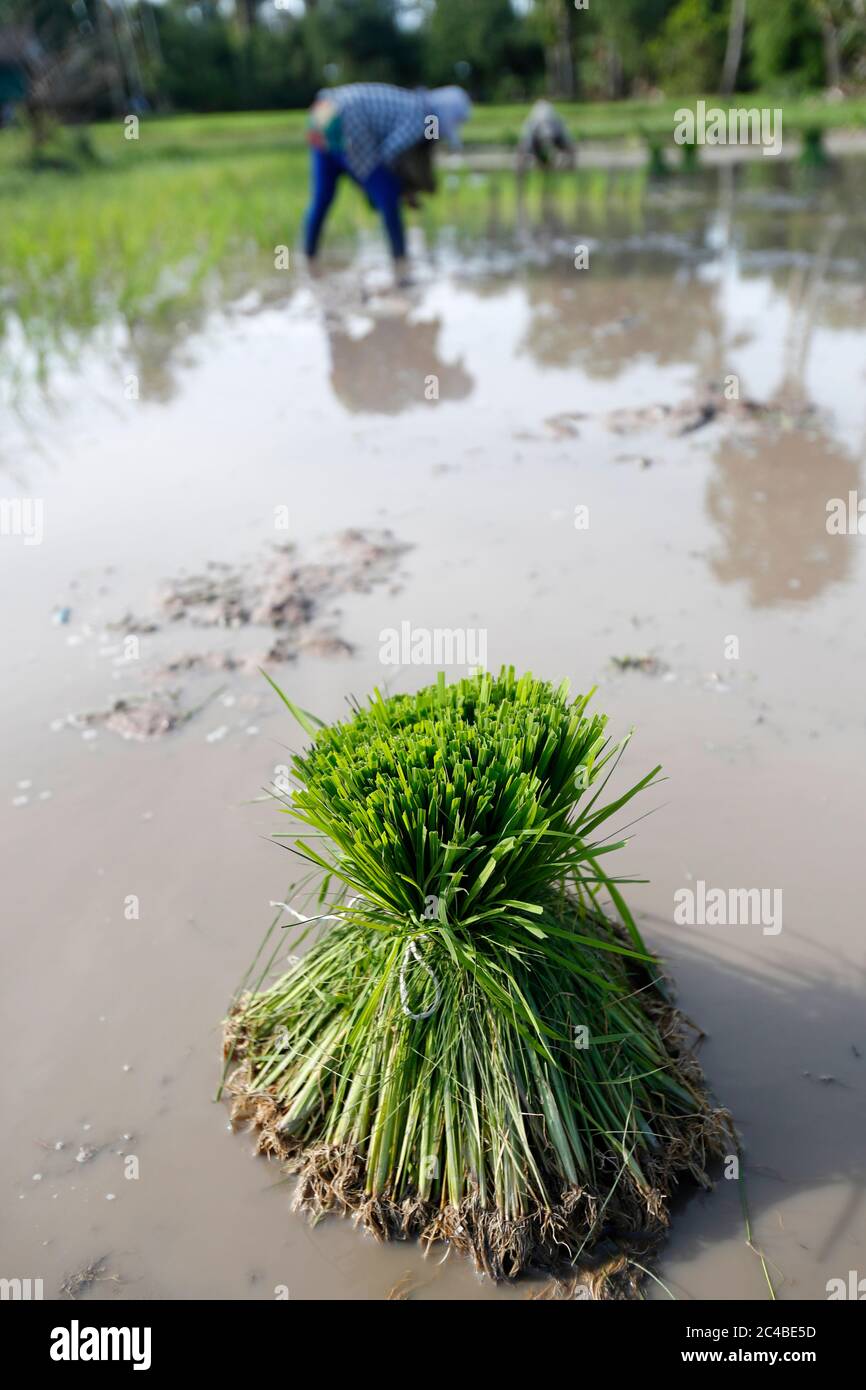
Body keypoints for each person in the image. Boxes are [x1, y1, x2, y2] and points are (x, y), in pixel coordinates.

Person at [304, 83, 471, 282]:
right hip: (346, 118)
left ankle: (308, 260)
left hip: (321, 112)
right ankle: (400, 265)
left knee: (322, 198)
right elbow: (389, 153)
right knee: (388, 196)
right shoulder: (424, 116)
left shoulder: (411, 102)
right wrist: (398, 189)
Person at [516, 100, 575, 173]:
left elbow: (569, 147)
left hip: (551, 137)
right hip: (538, 138)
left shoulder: (557, 125)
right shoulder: (533, 127)